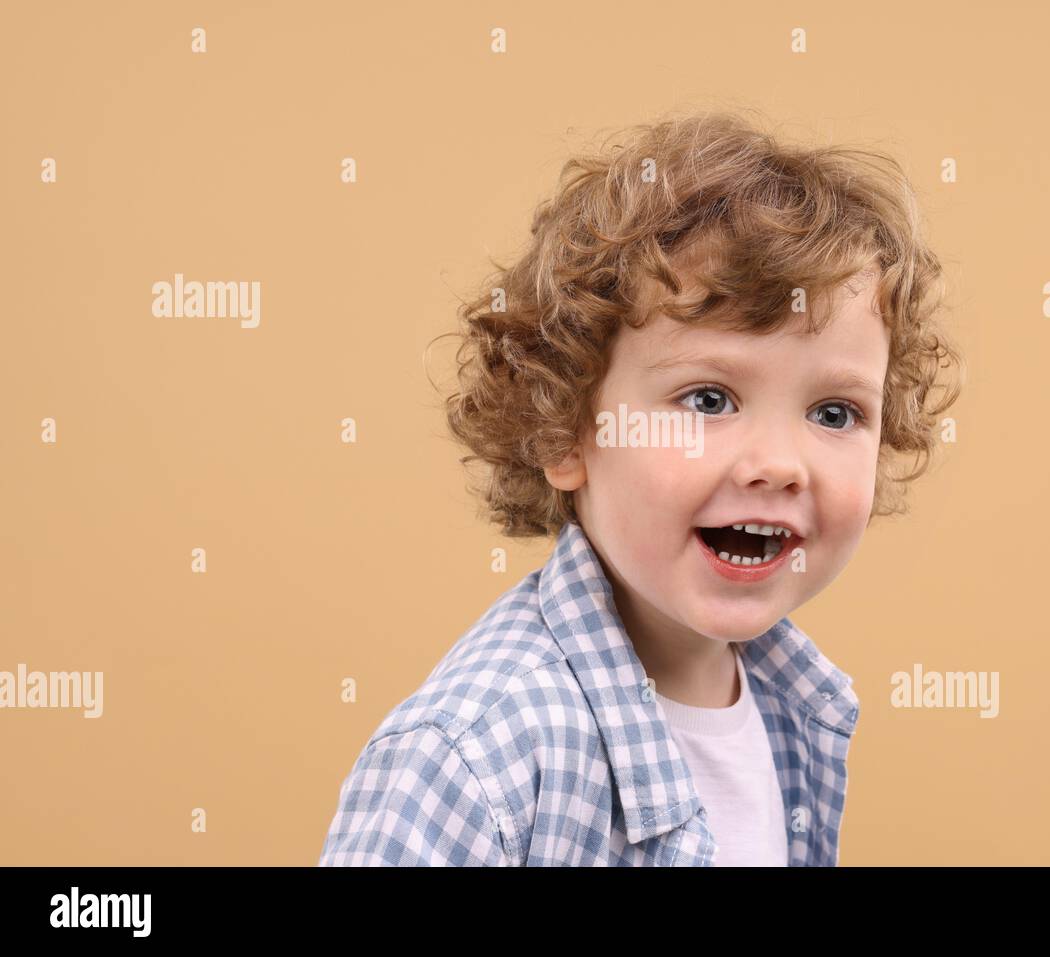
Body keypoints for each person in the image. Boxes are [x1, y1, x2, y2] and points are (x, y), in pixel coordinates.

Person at [319, 110, 963, 866]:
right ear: (564, 431)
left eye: (834, 411)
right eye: (709, 400)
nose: (781, 464)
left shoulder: (792, 711)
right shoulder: (475, 758)